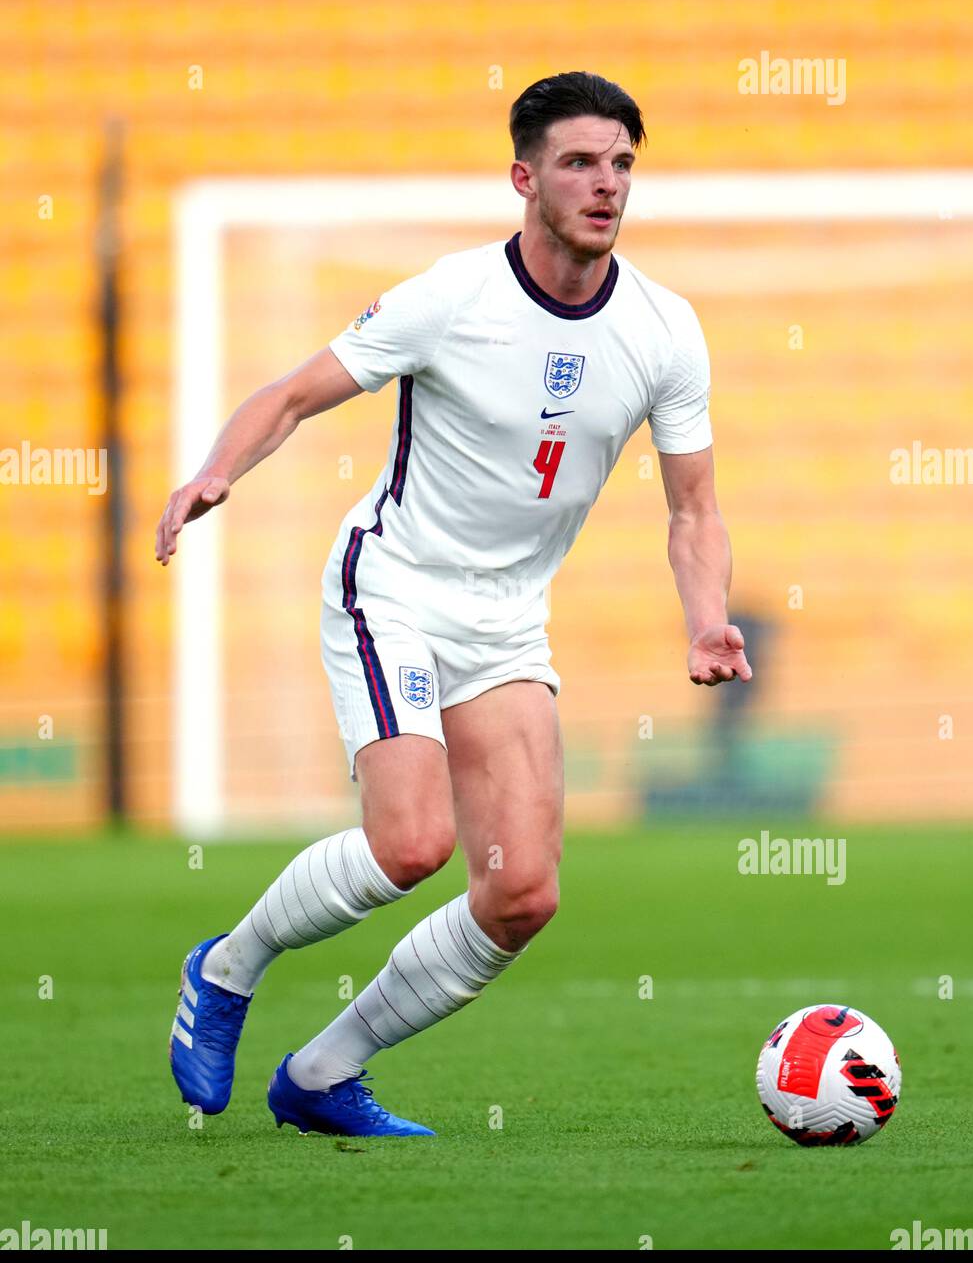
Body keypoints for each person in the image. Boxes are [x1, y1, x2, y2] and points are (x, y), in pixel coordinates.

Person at [156, 70, 751, 1138]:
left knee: (521, 891)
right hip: (392, 585)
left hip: (507, 619)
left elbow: (692, 509)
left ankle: (323, 1074)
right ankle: (228, 964)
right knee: (411, 844)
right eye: (578, 162)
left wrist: (704, 616)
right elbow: (293, 392)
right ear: (524, 177)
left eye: (621, 163)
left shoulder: (665, 330)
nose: (605, 184)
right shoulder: (450, 296)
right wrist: (216, 470)